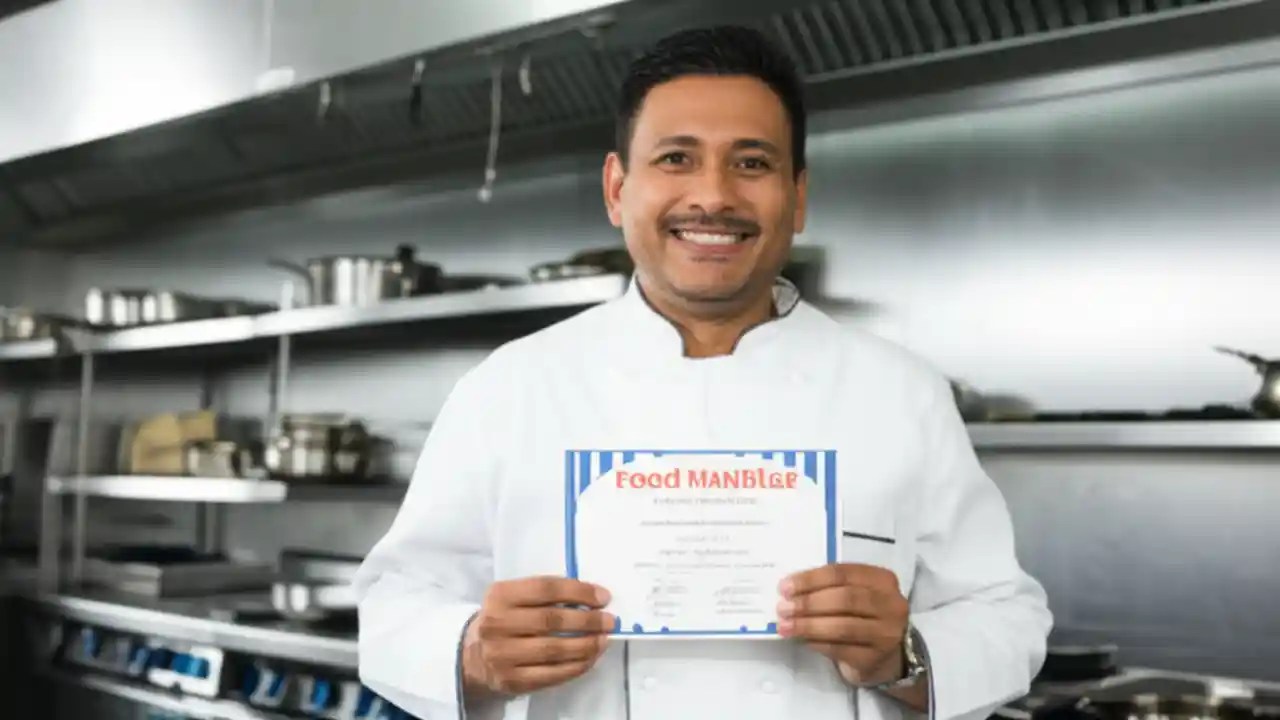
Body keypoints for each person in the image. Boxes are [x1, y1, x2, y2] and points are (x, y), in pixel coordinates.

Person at [353, 25, 1053, 720]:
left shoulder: (902, 394)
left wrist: (904, 654)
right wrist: (473, 652)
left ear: (798, 195)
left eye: (751, 163)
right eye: (676, 158)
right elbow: (393, 606)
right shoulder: (507, 390)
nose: (713, 196)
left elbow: (1006, 614)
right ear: (617, 188)